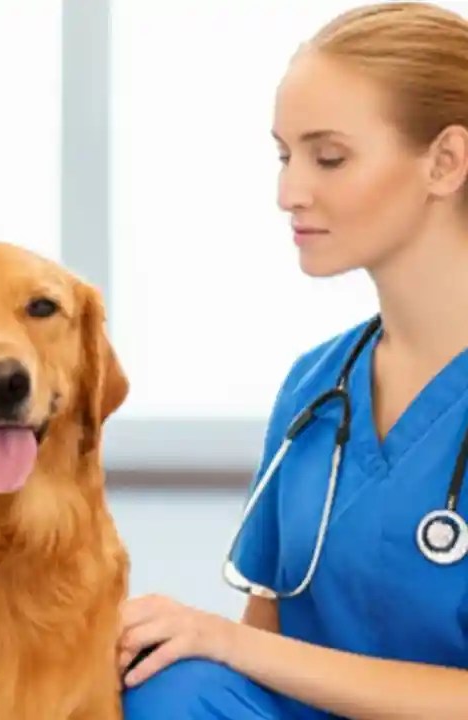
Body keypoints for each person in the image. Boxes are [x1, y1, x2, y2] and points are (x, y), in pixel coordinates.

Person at [116, 2, 468, 718]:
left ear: (445, 162)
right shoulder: (317, 390)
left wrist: (224, 641)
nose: (288, 193)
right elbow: (260, 672)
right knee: (170, 687)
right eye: (285, 155)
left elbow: (248, 651)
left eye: (329, 157)